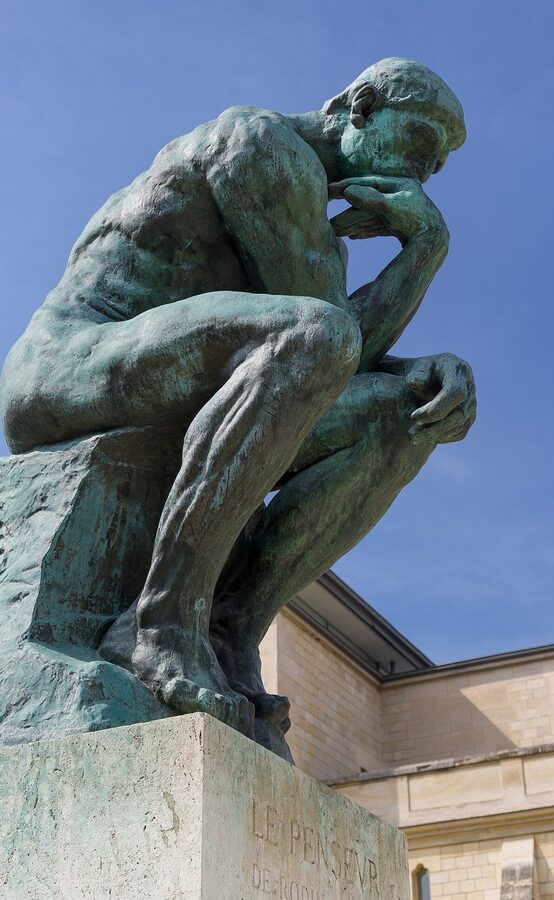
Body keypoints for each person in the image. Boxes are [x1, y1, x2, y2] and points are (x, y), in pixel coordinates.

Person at [0, 58, 476, 748]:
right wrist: (425, 249)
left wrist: (419, 371)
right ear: (361, 106)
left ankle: (227, 629)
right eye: (420, 144)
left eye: (438, 164)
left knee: (406, 412)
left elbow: (342, 357)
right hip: (69, 367)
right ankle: (160, 624)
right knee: (317, 333)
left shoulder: (316, 228)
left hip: (178, 374)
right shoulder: (262, 145)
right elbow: (326, 336)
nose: (425, 173)